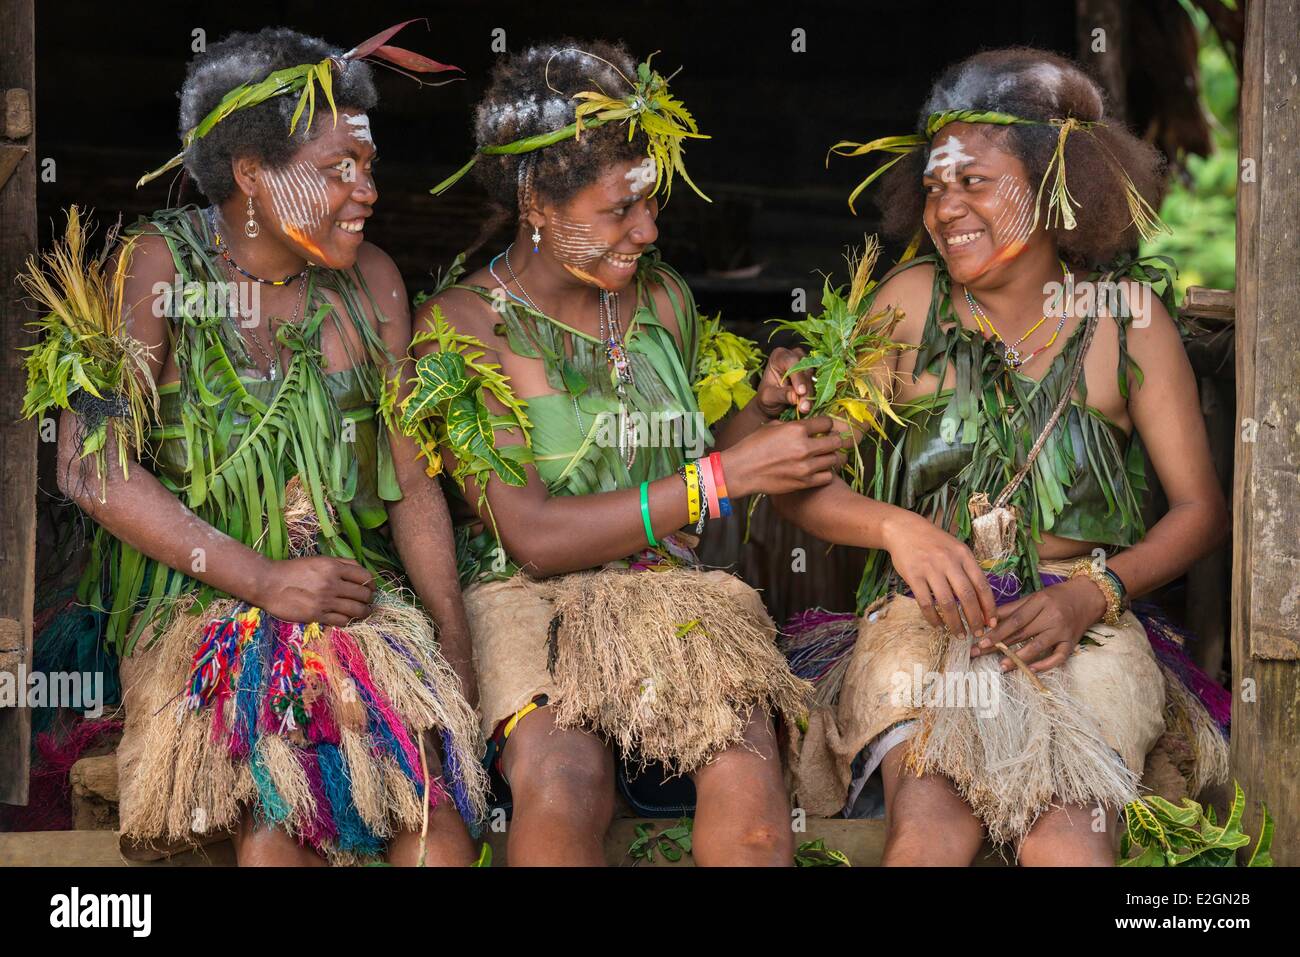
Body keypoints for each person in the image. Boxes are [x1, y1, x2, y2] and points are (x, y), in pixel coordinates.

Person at [21, 25, 487, 866]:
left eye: (369, 166)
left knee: (440, 842)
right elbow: (92, 471)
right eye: (338, 169)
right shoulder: (156, 267)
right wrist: (265, 580)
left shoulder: (374, 280)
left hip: (356, 606)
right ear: (250, 175)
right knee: (277, 831)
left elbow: (410, 480)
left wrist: (451, 636)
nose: (367, 190)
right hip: (202, 612)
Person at [775, 48, 1230, 865]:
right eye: (936, 184)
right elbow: (799, 482)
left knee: (1070, 839)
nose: (947, 206)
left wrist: (1096, 592)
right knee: (930, 825)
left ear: (1059, 182)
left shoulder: (1128, 320)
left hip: (1080, 624)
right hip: (925, 620)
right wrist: (896, 530)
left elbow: (1201, 511)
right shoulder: (905, 308)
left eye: (975, 182)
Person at [409, 40, 846, 866]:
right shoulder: (461, 328)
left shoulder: (663, 298)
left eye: (651, 205)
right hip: (526, 601)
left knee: (753, 802)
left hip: (674, 596)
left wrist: (758, 414)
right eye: (619, 210)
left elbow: (691, 465)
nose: (647, 229)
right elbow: (529, 534)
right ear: (537, 200)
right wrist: (723, 475)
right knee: (567, 781)